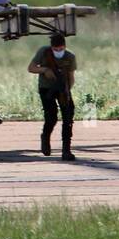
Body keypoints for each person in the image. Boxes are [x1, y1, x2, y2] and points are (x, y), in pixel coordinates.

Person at [28, 32, 76, 161]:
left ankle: (66, 150)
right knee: (51, 117)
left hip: (62, 89)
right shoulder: (44, 52)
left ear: (65, 47)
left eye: (61, 49)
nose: (58, 51)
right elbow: (31, 68)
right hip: (46, 89)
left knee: (68, 118)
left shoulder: (70, 57)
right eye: (55, 49)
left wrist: (67, 92)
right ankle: (45, 138)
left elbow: (71, 77)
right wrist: (44, 70)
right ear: (51, 47)